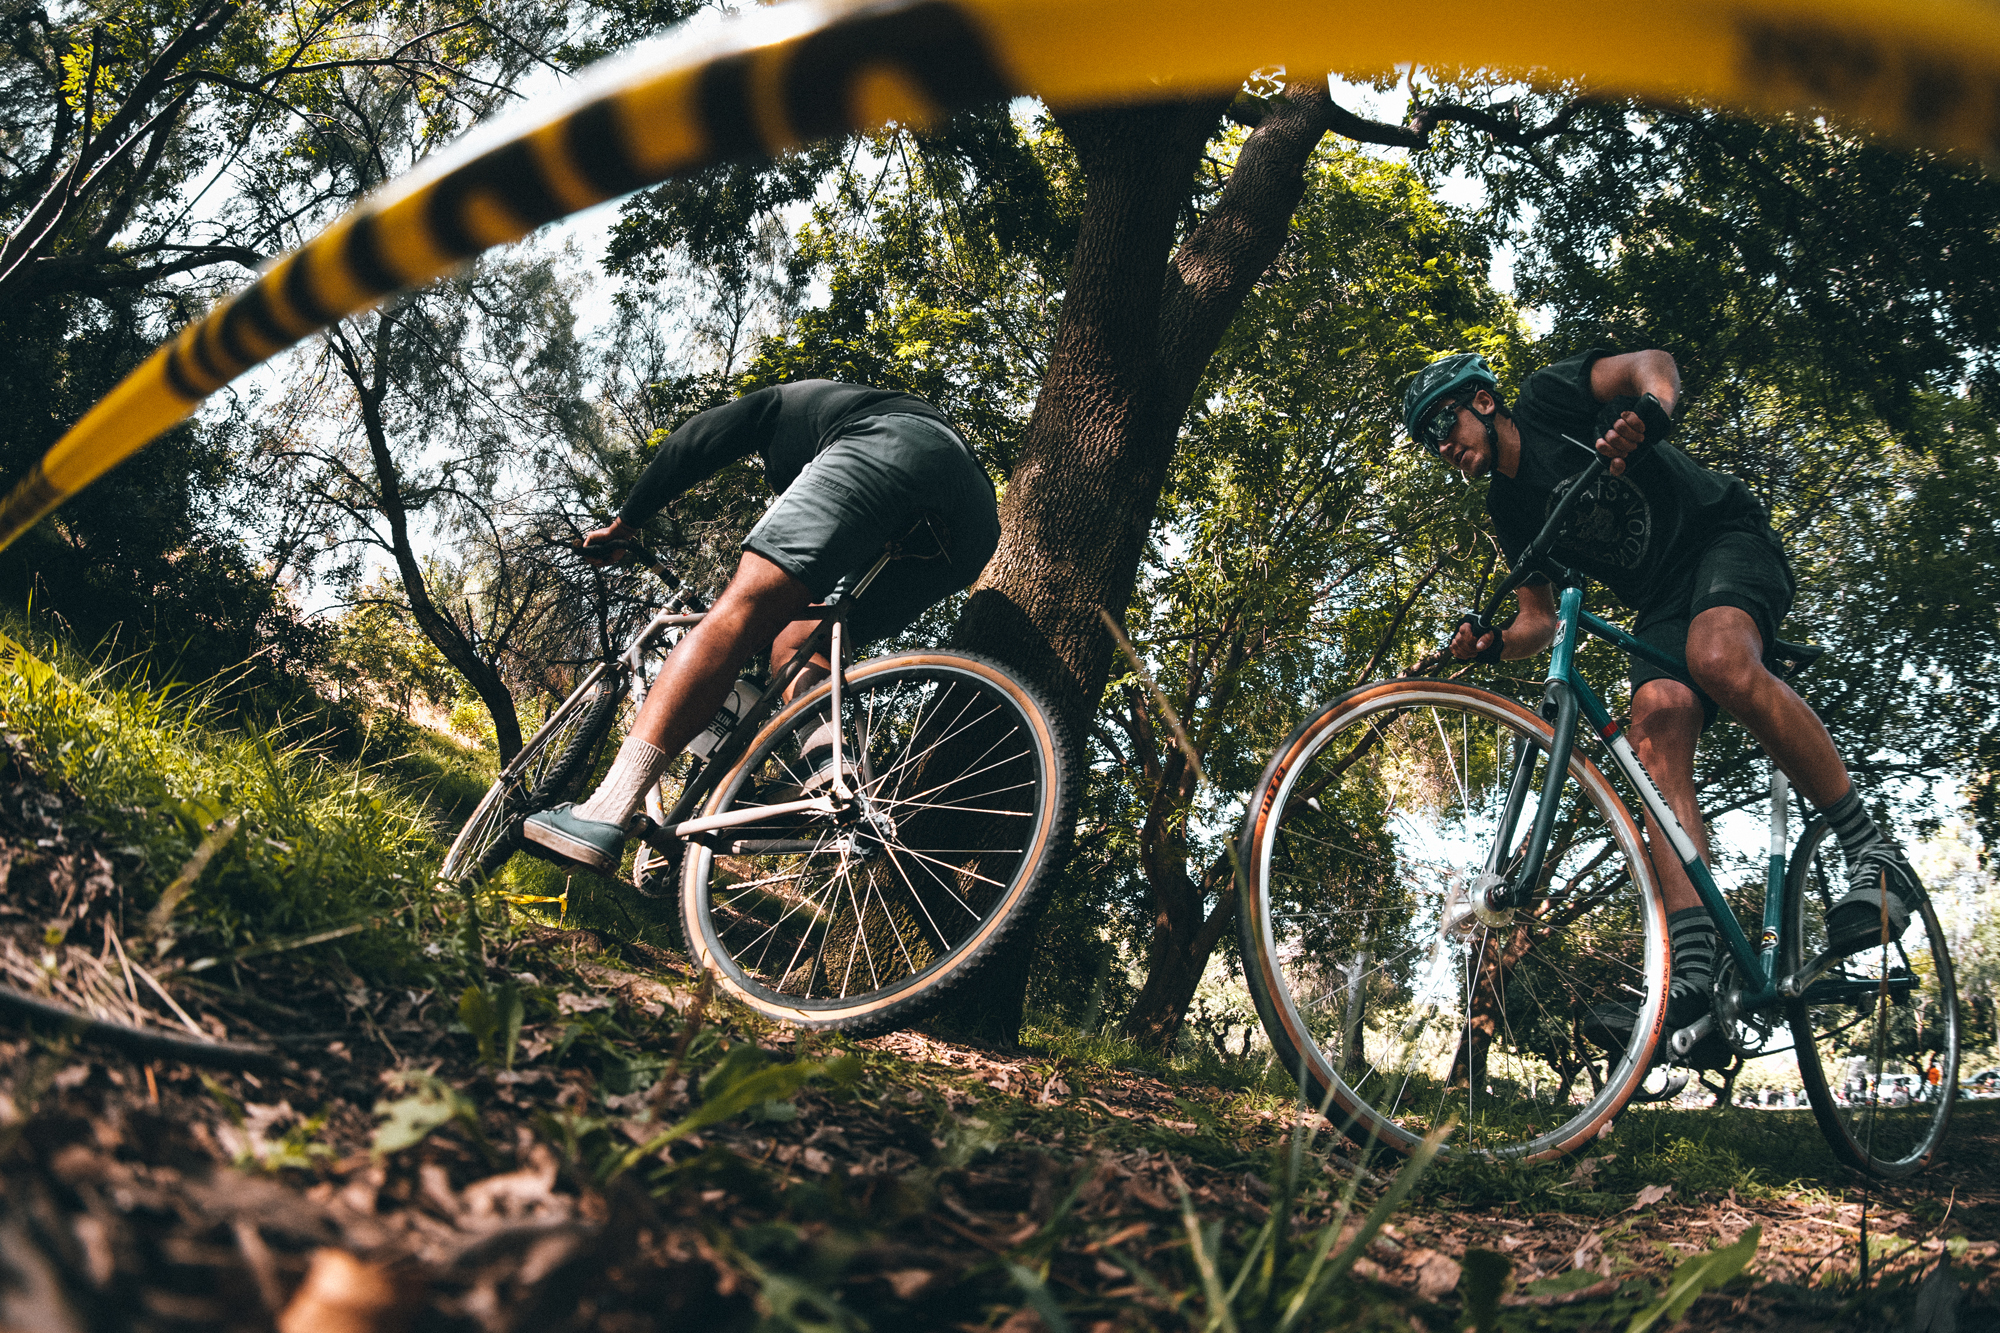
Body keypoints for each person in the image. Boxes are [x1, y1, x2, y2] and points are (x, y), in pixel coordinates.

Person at [1402, 349, 1923, 1047]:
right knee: (1651, 736)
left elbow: (1655, 364)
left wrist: (1648, 413)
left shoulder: (1551, 398)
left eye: (1443, 424)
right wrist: (1492, 644)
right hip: (1661, 604)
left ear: (1483, 402)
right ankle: (1698, 976)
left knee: (1717, 657)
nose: (1443, 448)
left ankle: (1872, 848)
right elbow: (1542, 620)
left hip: (1724, 537)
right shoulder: (1510, 504)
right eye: (1429, 442)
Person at [522, 380, 1000, 872]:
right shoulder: (856, 409)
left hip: (886, 445)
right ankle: (828, 771)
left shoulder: (786, 402)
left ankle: (605, 810)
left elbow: (694, 441)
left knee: (741, 613)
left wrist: (626, 523)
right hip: (972, 528)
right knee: (802, 640)